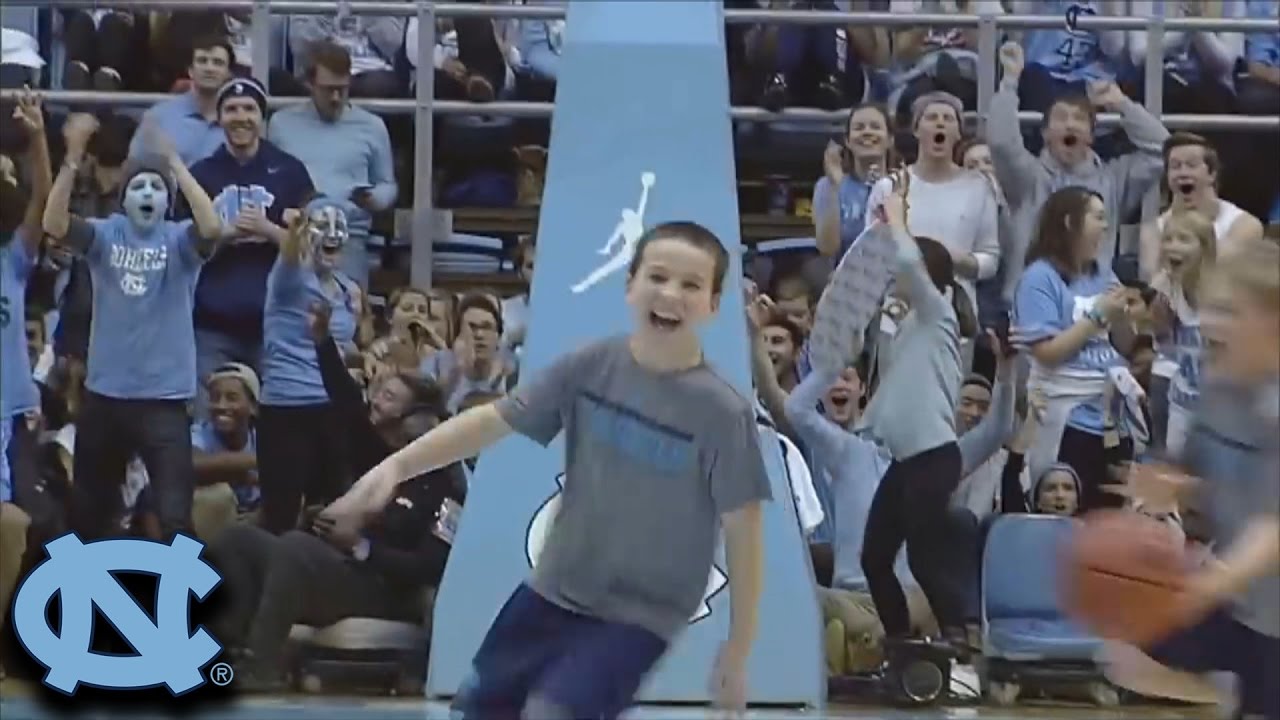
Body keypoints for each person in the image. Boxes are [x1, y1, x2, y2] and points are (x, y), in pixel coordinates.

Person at [325, 221, 772, 718]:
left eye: (691, 285)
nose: (671, 294)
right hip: (555, 587)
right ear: (630, 285)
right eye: (658, 277)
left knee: (552, 712)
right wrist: (397, 466)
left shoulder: (723, 412)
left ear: (713, 304)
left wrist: (738, 648)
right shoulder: (590, 366)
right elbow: (491, 421)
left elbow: (744, 530)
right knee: (476, 707)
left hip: (641, 614)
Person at [1104, 238, 1280, 720]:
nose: (1212, 324)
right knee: (1138, 643)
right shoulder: (1219, 387)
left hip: (1255, 590)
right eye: (1213, 310)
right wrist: (1166, 486)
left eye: (1231, 312)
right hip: (1252, 601)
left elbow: (1272, 530)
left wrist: (1208, 585)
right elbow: (1191, 468)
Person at [43, 113, 224, 540]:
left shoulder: (180, 240)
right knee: (89, 517)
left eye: (155, 189)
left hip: (163, 400)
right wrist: (71, 159)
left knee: (176, 517)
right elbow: (54, 224)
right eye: (138, 187)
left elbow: (212, 226)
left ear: (167, 201)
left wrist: (174, 164)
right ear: (123, 200)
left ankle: (181, 605)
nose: (147, 193)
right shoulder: (105, 236)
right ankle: (92, 599)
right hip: (106, 395)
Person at [856, 177, 978, 650]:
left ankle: (960, 636)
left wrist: (899, 216)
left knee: (925, 555)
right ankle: (901, 644)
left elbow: (908, 259)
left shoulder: (938, 315)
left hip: (933, 457)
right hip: (908, 461)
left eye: (901, 269)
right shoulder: (907, 324)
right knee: (875, 559)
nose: (894, 273)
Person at [257, 198, 360, 534]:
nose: (330, 235)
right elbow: (288, 256)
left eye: (337, 227)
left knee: (333, 509)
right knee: (282, 512)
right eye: (322, 227)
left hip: (332, 411)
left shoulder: (348, 289)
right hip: (287, 409)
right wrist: (293, 232)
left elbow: (342, 346)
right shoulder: (288, 278)